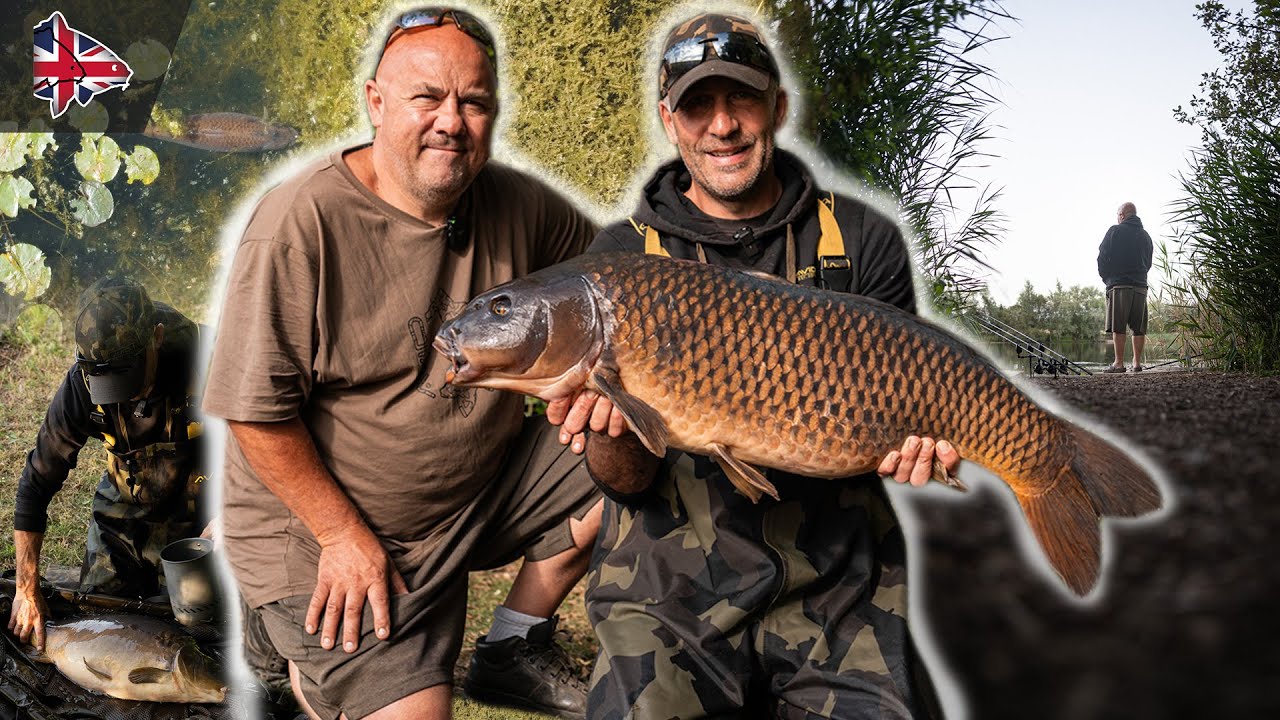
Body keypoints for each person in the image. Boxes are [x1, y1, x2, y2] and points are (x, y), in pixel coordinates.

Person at [549, 12, 961, 719]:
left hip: (836, 588)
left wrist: (921, 444)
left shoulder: (861, 239)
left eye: (740, 98)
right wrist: (607, 431)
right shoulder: (619, 260)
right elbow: (626, 485)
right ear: (669, 121)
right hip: (671, 593)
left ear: (777, 107)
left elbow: (915, 403)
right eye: (698, 105)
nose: (723, 126)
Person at [202, 8, 602, 720]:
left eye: (473, 102)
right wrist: (339, 535)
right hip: (334, 536)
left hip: (480, 493)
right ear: (376, 103)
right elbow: (251, 413)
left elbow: (622, 273)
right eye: (427, 97)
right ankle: (283, 647)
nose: (452, 120)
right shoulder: (299, 224)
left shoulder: (519, 205)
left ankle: (512, 647)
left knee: (645, 442)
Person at [8, 278, 208, 652]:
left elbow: (262, 456)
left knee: (191, 629)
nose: (124, 394)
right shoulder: (82, 382)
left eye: (128, 377)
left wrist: (225, 525)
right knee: (100, 625)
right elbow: (35, 485)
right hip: (122, 509)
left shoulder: (211, 362)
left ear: (157, 337)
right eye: (106, 382)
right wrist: (26, 586)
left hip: (197, 517)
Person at [1098, 202, 1154, 373]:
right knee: (1138, 327)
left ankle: (1119, 363)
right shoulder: (1145, 236)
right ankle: (1137, 364)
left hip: (1119, 284)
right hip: (1140, 286)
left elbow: (1102, 256)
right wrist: (1139, 277)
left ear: (1122, 215)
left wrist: (1107, 278)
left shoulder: (1115, 230)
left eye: (1117, 215)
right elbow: (1148, 262)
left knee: (1119, 325)